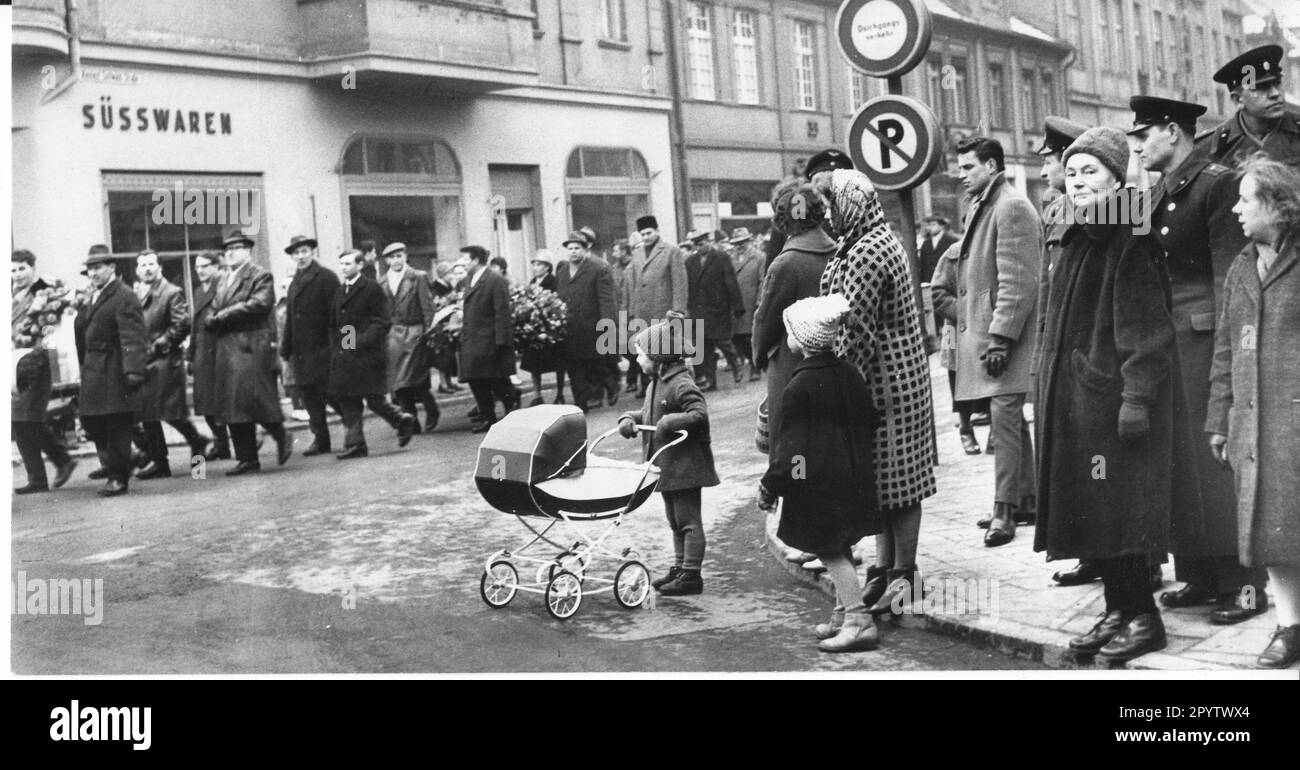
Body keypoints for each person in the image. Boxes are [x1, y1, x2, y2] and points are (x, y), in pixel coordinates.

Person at [1035, 127, 1200, 663]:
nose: (1078, 181)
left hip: (1112, 402)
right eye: (1072, 172)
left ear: (1115, 179)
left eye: (1091, 172)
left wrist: (1137, 398)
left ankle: (1144, 618)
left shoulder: (1131, 236)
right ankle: (1117, 608)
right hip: (1079, 400)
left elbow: (1147, 328)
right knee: (1094, 509)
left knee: (1122, 511)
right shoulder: (1078, 234)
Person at [1128, 96, 1263, 624]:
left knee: (1215, 461)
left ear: (1173, 131)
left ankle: (1244, 586)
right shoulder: (1160, 191)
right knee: (1184, 463)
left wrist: (1231, 352)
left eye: (1144, 135)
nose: (1138, 146)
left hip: (1207, 341)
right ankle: (1201, 574)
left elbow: (1232, 277)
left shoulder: (1216, 184)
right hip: (1172, 344)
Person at [815, 168, 937, 616]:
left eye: (831, 204)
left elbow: (857, 329)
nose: (827, 214)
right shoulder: (864, 240)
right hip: (890, 378)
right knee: (885, 484)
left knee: (901, 483)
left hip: (888, 383)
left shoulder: (867, 250)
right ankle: (885, 573)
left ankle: (905, 580)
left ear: (851, 204)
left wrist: (838, 386)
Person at [1207, 154, 1300, 668]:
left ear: (1278, 206)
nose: (1236, 209)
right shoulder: (1241, 265)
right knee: (1271, 529)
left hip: (1293, 421)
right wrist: (1218, 421)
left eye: (1246, 200)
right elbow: (1225, 348)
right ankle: (1289, 626)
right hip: (1252, 424)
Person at [935, 136, 1041, 546]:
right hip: (993, 333)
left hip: (1004, 338)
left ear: (992, 166)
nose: (961, 174)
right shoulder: (987, 203)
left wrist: (1000, 339)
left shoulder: (1010, 206)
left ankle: (1004, 511)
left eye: (968, 167)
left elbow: (1018, 281)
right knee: (1008, 420)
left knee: (1004, 420)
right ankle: (1027, 499)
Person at [760, 294, 881, 652]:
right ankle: (843, 613)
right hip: (853, 477)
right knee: (840, 543)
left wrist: (781, 483)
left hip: (817, 483)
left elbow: (792, 450)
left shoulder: (798, 387)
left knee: (829, 550)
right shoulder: (848, 372)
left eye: (790, 332)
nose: (787, 338)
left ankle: (859, 620)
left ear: (803, 340)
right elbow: (870, 420)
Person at [1029, 115, 1098, 586]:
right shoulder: (1056, 211)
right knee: (1073, 460)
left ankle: (1135, 563)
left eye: (1051, 160)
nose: (1045, 170)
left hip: (1089, 350)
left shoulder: (1109, 211)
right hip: (1058, 347)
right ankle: (1092, 553)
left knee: (1101, 462)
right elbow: (1047, 287)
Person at [617, 314, 719, 596]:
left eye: (641, 354)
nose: (637, 359)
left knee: (688, 521)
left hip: (686, 467)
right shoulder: (656, 383)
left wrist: (671, 421)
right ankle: (680, 567)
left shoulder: (681, 384)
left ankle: (691, 575)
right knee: (675, 520)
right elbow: (649, 413)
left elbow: (699, 414)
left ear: (658, 357)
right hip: (667, 466)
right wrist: (629, 418)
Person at [752, 181, 837, 449]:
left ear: (781, 221)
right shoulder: (838, 252)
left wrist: (759, 356)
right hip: (834, 358)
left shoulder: (786, 262)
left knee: (792, 444)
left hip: (792, 361)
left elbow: (765, 320)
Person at [206, 230, 293, 476]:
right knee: (233, 404)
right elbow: (215, 305)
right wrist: (213, 317)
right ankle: (247, 458)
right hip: (228, 346)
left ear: (247, 251)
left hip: (250, 344)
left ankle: (280, 434)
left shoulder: (259, 275)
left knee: (252, 400)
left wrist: (221, 316)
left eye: (235, 248)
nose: (230, 253)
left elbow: (260, 304)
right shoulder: (224, 278)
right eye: (227, 250)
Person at [327, 250, 417, 458]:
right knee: (348, 399)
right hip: (346, 354)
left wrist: (358, 341)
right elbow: (336, 323)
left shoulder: (371, 288)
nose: (343, 268)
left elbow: (382, 321)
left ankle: (401, 420)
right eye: (341, 264)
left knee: (373, 398)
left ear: (360, 265)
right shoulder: (340, 291)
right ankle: (356, 444)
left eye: (348, 264)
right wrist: (339, 346)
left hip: (368, 355)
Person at [74, 244, 147, 496]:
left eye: (98, 268)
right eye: (90, 269)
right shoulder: (95, 295)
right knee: (92, 423)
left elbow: (133, 336)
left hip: (114, 369)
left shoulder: (124, 295)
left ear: (112, 267)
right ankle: (129, 458)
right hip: (94, 369)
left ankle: (118, 478)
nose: (93, 273)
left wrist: (133, 371)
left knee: (117, 426)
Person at [132, 249, 209, 479]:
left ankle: (198, 446)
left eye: (151, 264)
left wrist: (158, 345)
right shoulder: (138, 294)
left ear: (160, 267)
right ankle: (161, 464)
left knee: (172, 414)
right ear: (137, 270)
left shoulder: (171, 292)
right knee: (148, 415)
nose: (147, 269)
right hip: (145, 362)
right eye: (143, 265)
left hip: (165, 362)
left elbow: (182, 324)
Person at [12, 249, 76, 493]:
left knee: (25, 418)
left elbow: (51, 327)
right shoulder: (10, 294)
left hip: (36, 362)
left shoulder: (45, 292)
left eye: (21, 269)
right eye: (12, 270)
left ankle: (50, 470)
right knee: (22, 420)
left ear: (32, 268)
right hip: (14, 366)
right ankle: (53, 467)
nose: (17, 275)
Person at [281, 235, 341, 456]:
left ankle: (354, 431)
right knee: (310, 399)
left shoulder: (327, 277)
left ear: (313, 252)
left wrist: (346, 347)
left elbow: (341, 314)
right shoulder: (294, 283)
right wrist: (285, 350)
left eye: (304, 251)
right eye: (296, 253)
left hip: (325, 348)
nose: (300, 256)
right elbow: (290, 319)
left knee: (334, 395)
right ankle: (320, 440)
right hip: (302, 352)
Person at [1198, 45, 1300, 169]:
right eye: (1262, 87)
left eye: (1277, 83)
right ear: (1237, 99)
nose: (1275, 93)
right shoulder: (1211, 149)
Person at [554, 231, 618, 412]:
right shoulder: (562, 271)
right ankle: (580, 403)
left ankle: (611, 386)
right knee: (573, 366)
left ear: (584, 249)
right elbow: (558, 298)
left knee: (594, 362)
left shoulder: (597, 268)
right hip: (570, 327)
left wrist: (607, 324)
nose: (573, 251)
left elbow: (606, 299)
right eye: (570, 248)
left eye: (577, 248)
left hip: (592, 325)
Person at [380, 242, 440, 433]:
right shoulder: (382, 281)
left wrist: (428, 332)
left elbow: (427, 307)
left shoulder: (418, 276)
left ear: (406, 256)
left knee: (414, 377)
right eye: (392, 257)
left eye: (399, 256)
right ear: (386, 261)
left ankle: (431, 408)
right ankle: (411, 420)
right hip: (393, 335)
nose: (396, 260)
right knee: (398, 381)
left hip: (414, 331)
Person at [458, 245, 518, 432]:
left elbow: (502, 312)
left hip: (489, 339)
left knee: (493, 380)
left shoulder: (495, 280)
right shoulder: (469, 279)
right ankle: (488, 417)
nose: (463, 263)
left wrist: (501, 341)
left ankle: (511, 403)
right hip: (472, 339)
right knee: (475, 380)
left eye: (466, 260)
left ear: (476, 260)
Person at [626, 215, 688, 396]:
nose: (646, 237)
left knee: (665, 351)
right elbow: (634, 285)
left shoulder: (671, 251)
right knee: (645, 351)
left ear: (657, 231)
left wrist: (678, 310)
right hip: (642, 312)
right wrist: (632, 312)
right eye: (643, 234)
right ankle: (650, 389)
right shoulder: (637, 254)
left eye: (649, 233)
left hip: (663, 310)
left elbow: (680, 283)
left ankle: (672, 388)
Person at [187, 251, 231, 461]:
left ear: (216, 266)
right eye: (197, 267)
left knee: (223, 402)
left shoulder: (223, 287)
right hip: (202, 353)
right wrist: (190, 355)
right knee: (206, 404)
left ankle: (230, 444)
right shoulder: (198, 291)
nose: (200, 271)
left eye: (205, 266)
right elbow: (195, 325)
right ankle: (221, 443)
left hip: (219, 350)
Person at [685, 239, 744, 391]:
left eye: (701, 243)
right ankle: (711, 381)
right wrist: (687, 307)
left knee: (722, 341)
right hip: (698, 309)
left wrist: (737, 306)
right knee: (705, 347)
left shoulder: (721, 257)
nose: (699, 247)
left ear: (709, 242)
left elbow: (731, 282)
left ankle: (735, 363)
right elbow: (687, 286)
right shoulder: (690, 262)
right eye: (696, 244)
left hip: (718, 308)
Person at [520, 250, 567, 406]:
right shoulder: (532, 282)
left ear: (547, 267)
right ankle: (537, 394)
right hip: (535, 328)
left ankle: (560, 393)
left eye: (539, 265)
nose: (536, 268)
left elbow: (558, 302)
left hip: (550, 327)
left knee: (557, 362)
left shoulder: (554, 282)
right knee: (534, 363)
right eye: (534, 264)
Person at [729, 227, 766, 383]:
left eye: (742, 242)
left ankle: (755, 366)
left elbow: (763, 280)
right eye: (736, 243)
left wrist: (760, 300)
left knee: (749, 337)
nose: (739, 246)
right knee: (736, 338)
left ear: (749, 241)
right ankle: (751, 360)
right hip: (735, 304)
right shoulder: (730, 258)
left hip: (750, 302)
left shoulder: (759, 257)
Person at [608, 239, 642, 394]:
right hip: (619, 312)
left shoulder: (636, 265)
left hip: (633, 311)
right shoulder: (614, 268)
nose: (614, 254)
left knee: (636, 345)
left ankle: (632, 379)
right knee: (623, 347)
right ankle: (632, 376)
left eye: (616, 250)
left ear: (624, 251)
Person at [917, 215, 958, 301]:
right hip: (929, 282)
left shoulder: (951, 240)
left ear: (941, 226)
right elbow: (922, 265)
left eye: (933, 224)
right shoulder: (926, 243)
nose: (930, 227)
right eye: (929, 225)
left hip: (946, 282)